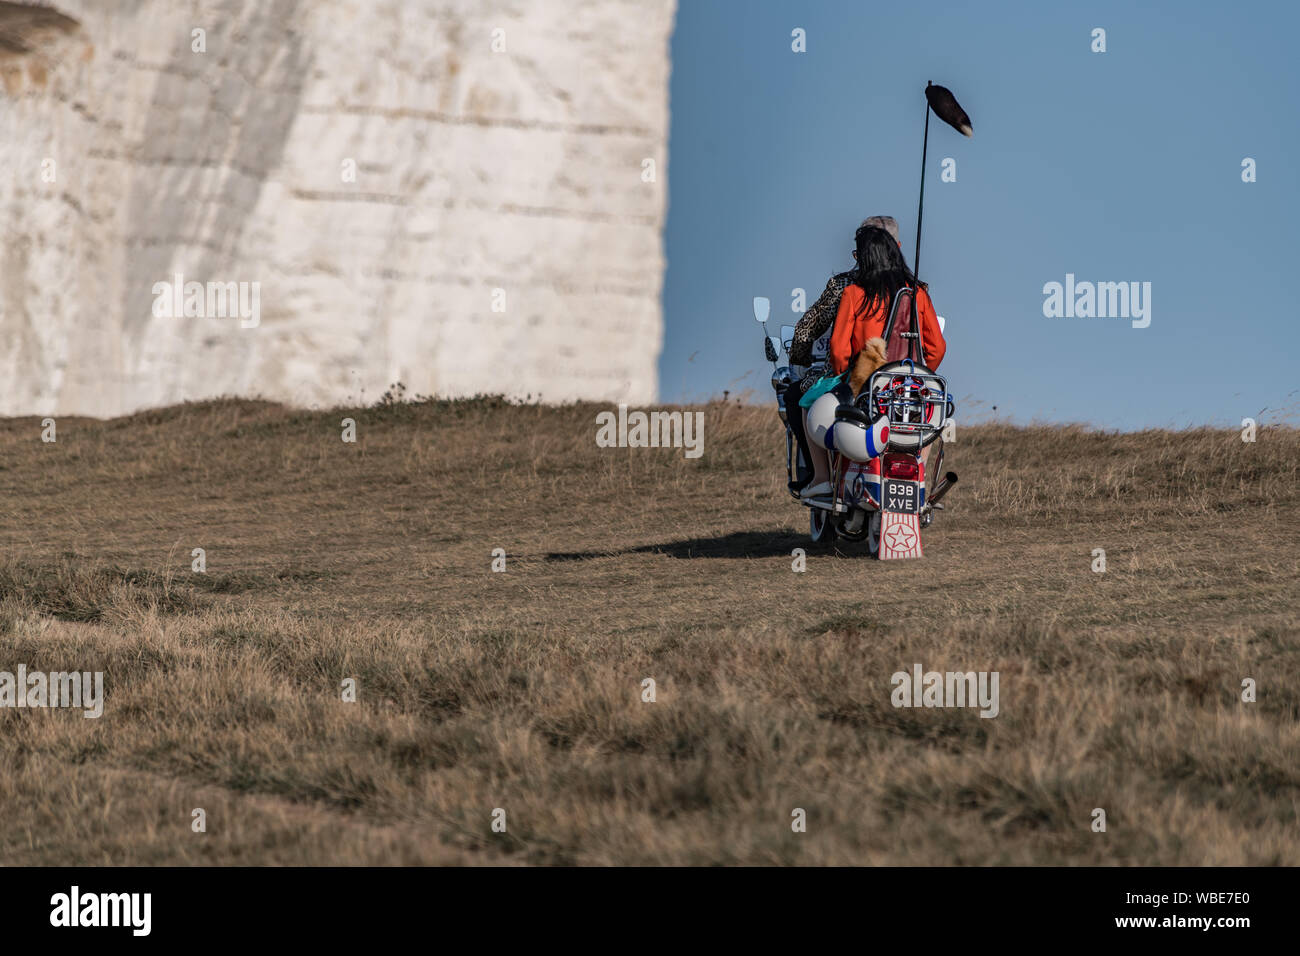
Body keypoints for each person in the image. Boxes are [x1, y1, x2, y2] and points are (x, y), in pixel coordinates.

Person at [799, 223, 946, 499]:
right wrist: (916, 374)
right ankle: (919, 470)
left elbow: (838, 348)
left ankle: (821, 478)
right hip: (910, 386)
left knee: (807, 402)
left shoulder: (853, 293)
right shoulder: (918, 293)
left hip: (864, 384)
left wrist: (845, 378)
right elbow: (937, 347)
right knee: (931, 418)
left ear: (865, 257)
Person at [783, 215, 899, 493]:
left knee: (797, 395)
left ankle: (818, 475)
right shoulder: (913, 287)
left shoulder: (847, 287)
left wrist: (802, 365)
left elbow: (807, 333)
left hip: (855, 379)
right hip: (904, 380)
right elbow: (935, 346)